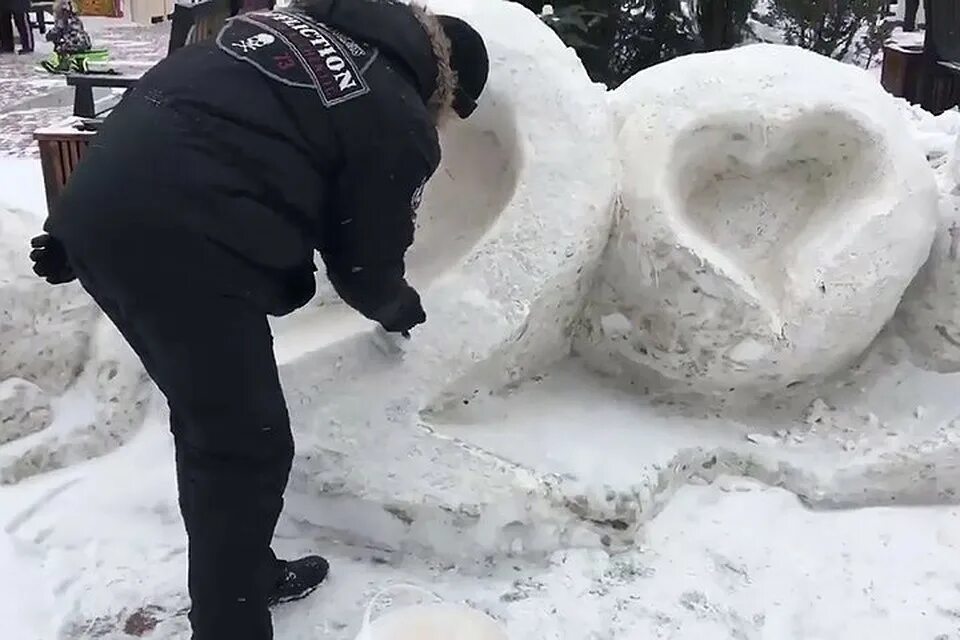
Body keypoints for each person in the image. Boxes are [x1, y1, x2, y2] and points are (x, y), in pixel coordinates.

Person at [28, 0, 489, 638]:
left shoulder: (273, 30)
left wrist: (77, 228)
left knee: (218, 428)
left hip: (101, 204)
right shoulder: (395, 117)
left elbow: (172, 108)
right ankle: (231, 621)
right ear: (444, 84)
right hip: (187, 244)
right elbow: (365, 257)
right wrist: (398, 308)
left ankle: (243, 572)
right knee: (242, 446)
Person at [40, 0, 95, 73]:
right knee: (75, 49)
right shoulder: (76, 19)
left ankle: (64, 65)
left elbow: (57, 31)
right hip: (85, 43)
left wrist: (49, 36)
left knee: (60, 48)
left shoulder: (62, 20)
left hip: (74, 43)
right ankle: (80, 64)